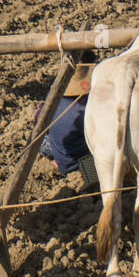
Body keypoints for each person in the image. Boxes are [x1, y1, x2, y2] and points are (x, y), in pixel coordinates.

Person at [38, 53, 98, 188]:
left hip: (59, 151)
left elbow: (38, 119)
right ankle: (86, 180)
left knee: (44, 141)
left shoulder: (53, 99)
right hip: (79, 164)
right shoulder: (87, 108)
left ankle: (57, 162)